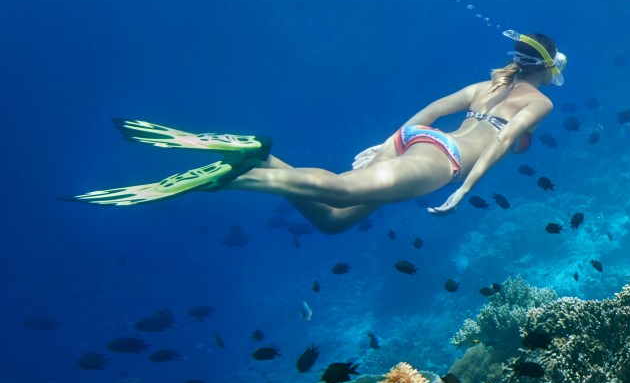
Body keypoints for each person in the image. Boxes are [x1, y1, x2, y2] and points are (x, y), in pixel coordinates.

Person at [67, 31, 565, 234]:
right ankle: (234, 171)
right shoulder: (540, 102)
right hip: (443, 163)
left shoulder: (487, 84)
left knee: (333, 220)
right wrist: (465, 189)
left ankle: (257, 164)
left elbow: (431, 111)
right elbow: (502, 141)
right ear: (547, 69)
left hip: (422, 143)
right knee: (339, 189)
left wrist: (390, 142)